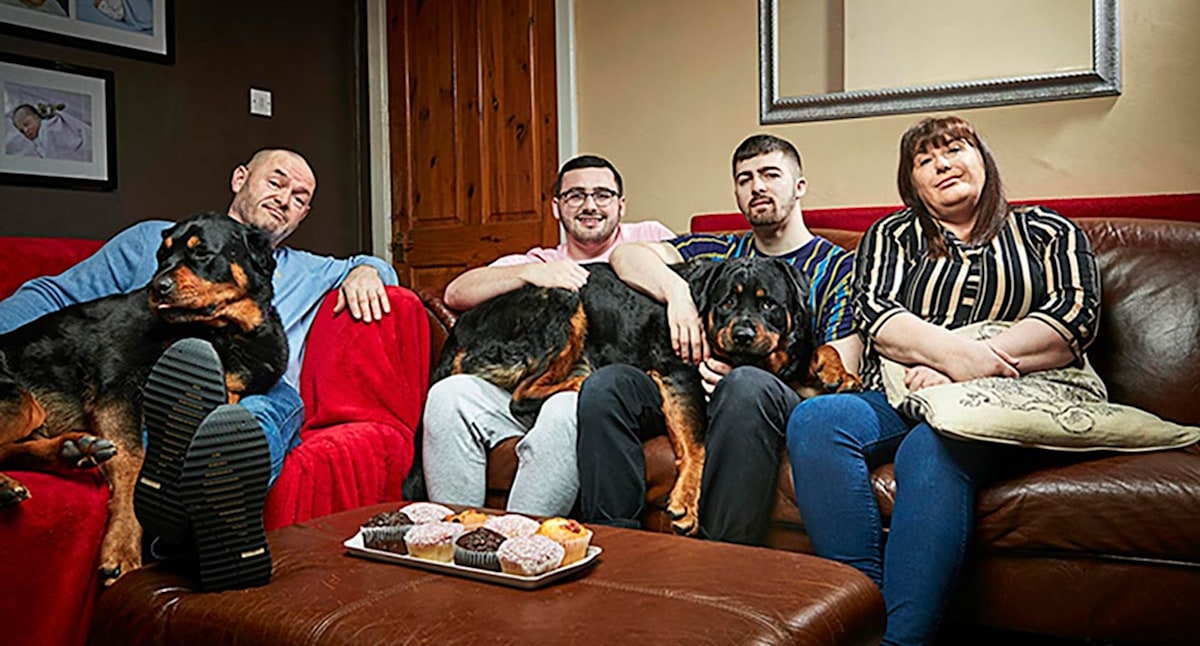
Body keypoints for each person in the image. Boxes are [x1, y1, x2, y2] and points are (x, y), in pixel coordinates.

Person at [786, 116, 1100, 646]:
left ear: (983, 159)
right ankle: (859, 622)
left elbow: (1074, 317)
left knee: (931, 446)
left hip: (1017, 394)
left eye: (954, 149)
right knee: (817, 419)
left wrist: (963, 371)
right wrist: (950, 360)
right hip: (905, 390)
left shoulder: (1048, 230)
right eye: (924, 160)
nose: (942, 164)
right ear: (911, 182)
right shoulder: (890, 236)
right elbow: (877, 314)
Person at [0, 148, 399, 587]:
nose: (285, 198)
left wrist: (367, 270)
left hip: (252, 381)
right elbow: (56, 295)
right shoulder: (152, 241)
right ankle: (190, 524)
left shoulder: (309, 269)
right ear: (240, 178)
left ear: (303, 214)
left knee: (273, 402)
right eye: (276, 181)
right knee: (168, 391)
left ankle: (218, 503)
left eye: (300, 197)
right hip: (154, 380)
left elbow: (379, 268)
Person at [575, 134, 860, 544]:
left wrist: (746, 376)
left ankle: (723, 555)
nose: (757, 187)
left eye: (770, 174)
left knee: (744, 385)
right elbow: (626, 256)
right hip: (697, 388)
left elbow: (839, 380)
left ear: (799, 186)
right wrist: (679, 296)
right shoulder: (716, 250)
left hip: (771, 399)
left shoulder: (837, 267)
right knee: (607, 385)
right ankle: (618, 544)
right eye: (745, 179)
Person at [422, 154, 674, 516]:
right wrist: (529, 274)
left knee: (565, 405)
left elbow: (692, 275)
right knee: (448, 394)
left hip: (599, 403)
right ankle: (453, 533)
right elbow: (456, 292)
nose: (590, 205)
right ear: (557, 207)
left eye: (602, 195)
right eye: (576, 196)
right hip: (527, 398)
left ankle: (520, 536)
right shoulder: (540, 260)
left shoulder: (649, 237)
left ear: (621, 205)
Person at [9, 103, 92, 162]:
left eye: (27, 124)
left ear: (36, 116)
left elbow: (53, 149)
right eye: (22, 131)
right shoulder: (37, 143)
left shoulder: (48, 125)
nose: (26, 130)